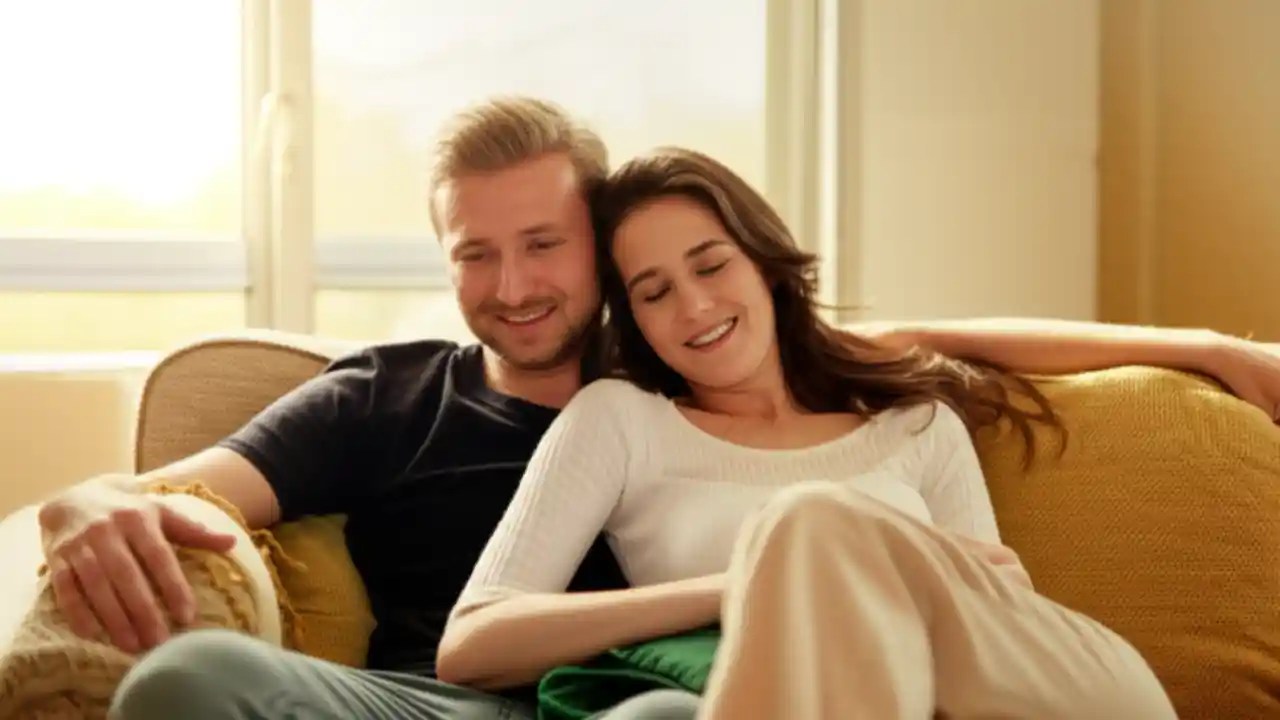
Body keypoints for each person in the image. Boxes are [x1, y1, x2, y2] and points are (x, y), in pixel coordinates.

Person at [27, 97, 1277, 720]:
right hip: (462, 702)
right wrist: (76, 498)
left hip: (689, 701)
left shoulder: (757, 381)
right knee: (190, 680)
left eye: (542, 245)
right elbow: (185, 492)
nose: (511, 288)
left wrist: (1208, 347)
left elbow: (904, 351)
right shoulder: (425, 398)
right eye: (474, 253)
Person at [435, 146, 1184, 718]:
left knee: (814, 518)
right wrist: (750, 583)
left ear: (764, 264)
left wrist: (1210, 350)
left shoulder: (916, 421)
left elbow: (998, 598)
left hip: (1072, 686)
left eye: (711, 265)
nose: (695, 308)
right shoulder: (619, 420)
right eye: (655, 292)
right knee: (806, 522)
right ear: (633, 322)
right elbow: (474, 643)